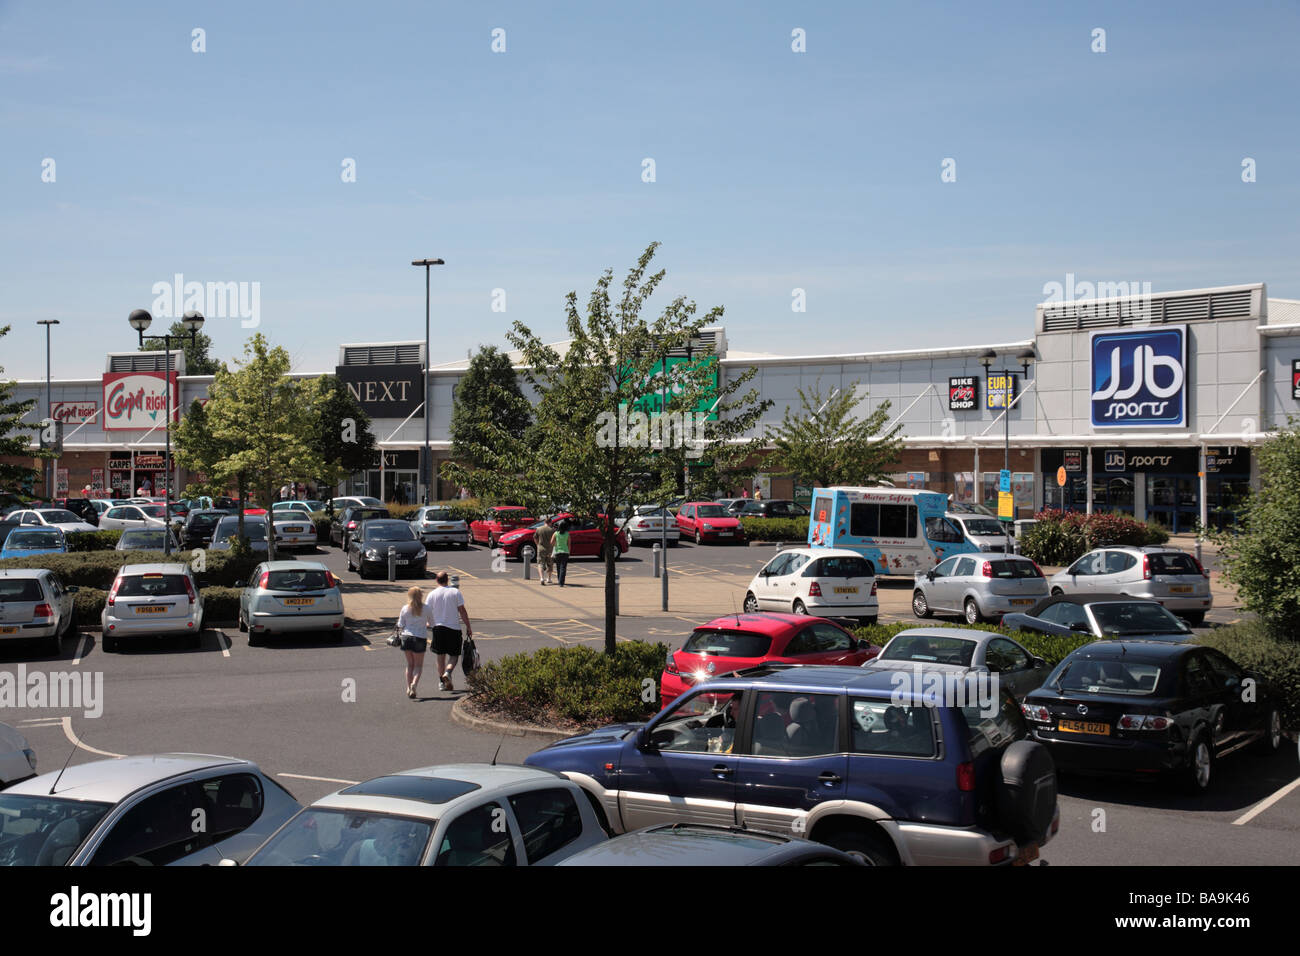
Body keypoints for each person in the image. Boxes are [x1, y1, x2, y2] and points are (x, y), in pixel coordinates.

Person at [425, 571, 472, 691]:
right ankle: (448, 672)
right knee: (454, 655)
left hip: (438, 628)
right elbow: (462, 610)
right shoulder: (455, 592)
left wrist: (427, 623)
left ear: (436, 580)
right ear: (447, 580)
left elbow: (427, 612)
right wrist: (468, 626)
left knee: (440, 657)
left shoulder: (432, 594)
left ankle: (441, 682)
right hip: (453, 628)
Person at [396, 585, 433, 699]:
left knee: (410, 665)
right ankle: (414, 684)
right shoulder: (426, 608)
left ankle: (408, 687)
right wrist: (425, 624)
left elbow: (400, 624)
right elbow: (432, 623)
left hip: (406, 637)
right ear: (421, 596)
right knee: (418, 666)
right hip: (419, 638)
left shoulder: (405, 608)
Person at [535, 518, 556, 585]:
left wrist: (537, 544)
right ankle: (549, 579)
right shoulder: (553, 530)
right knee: (550, 564)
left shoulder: (539, 529)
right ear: (550, 522)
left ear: (544, 522)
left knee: (540, 563)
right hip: (550, 549)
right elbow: (554, 540)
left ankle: (541, 578)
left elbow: (535, 537)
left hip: (541, 548)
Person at [552, 520, 571, 587]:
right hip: (565, 552)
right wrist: (569, 552)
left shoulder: (556, 533)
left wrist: (556, 545)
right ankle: (561, 582)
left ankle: (559, 580)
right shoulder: (567, 534)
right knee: (563, 567)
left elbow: (551, 542)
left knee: (558, 567)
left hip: (557, 552)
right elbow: (569, 544)